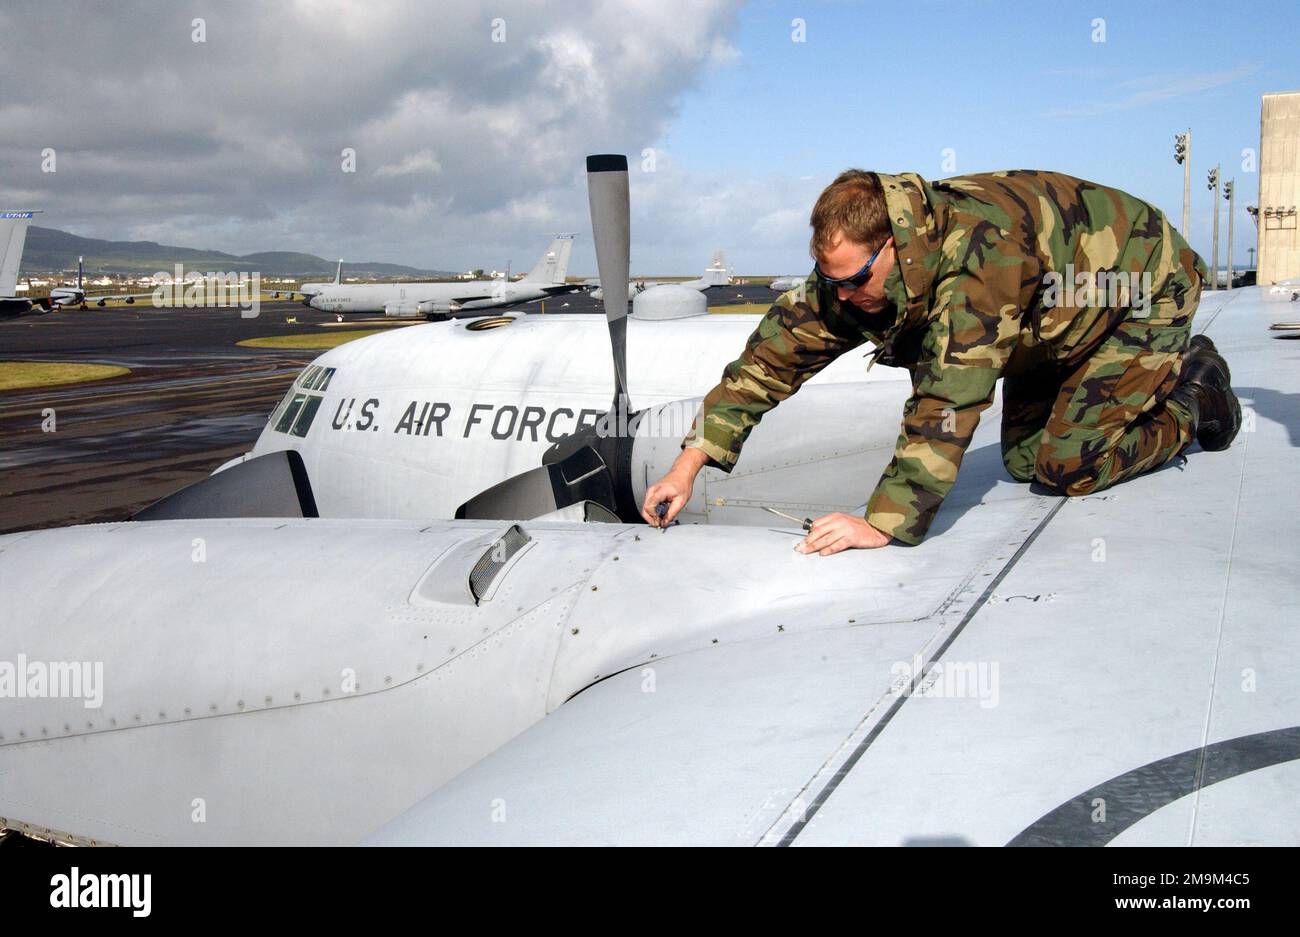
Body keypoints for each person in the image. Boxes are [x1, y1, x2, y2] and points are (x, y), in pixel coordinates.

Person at [641, 169, 1241, 554]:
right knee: (1023, 459)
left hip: (1139, 293)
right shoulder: (856, 273)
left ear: (893, 248)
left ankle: (1194, 397)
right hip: (1049, 316)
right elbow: (765, 366)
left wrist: (882, 522)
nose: (842, 296)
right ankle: (1141, 383)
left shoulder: (980, 266)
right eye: (832, 280)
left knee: (1066, 469)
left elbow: (949, 401)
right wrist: (687, 467)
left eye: (853, 281)